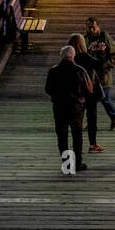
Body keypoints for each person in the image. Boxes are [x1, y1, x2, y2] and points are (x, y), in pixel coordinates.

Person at [44, 44, 92, 172]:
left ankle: (67, 165)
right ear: (73, 56)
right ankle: (77, 163)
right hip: (76, 107)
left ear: (61, 56)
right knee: (77, 135)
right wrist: (81, 98)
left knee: (62, 136)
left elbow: (48, 89)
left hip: (59, 106)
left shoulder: (53, 71)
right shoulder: (80, 70)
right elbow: (89, 89)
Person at [68, 32, 104, 153]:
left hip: (76, 92)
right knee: (91, 118)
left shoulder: (71, 57)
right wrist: (100, 51)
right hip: (89, 91)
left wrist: (90, 52)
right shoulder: (85, 56)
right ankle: (92, 144)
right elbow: (99, 64)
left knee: (77, 119)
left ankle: (76, 144)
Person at [85, 16, 115, 129]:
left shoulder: (104, 37)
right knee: (90, 101)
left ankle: (114, 116)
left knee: (105, 98)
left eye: (93, 27)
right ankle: (91, 123)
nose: (91, 30)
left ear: (98, 26)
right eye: (89, 27)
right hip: (90, 75)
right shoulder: (85, 39)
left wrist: (106, 66)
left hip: (102, 75)